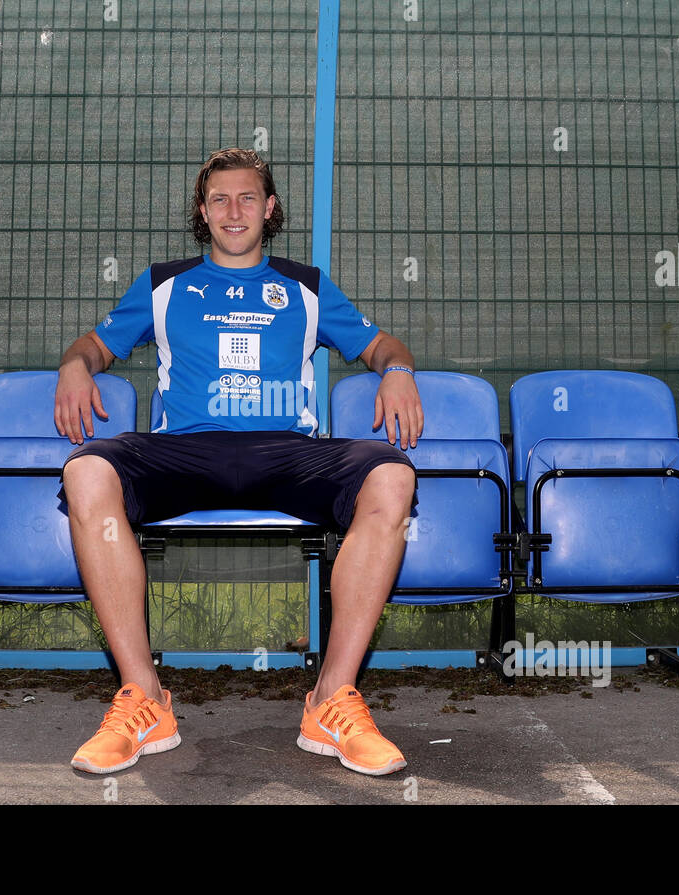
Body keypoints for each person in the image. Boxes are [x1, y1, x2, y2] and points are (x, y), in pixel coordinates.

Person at [53, 148, 423, 776]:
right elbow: (94, 344)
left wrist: (399, 370)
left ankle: (331, 701)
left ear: (270, 208)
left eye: (248, 197)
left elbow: (382, 342)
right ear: (202, 210)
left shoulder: (304, 287)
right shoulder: (164, 284)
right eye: (219, 198)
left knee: (392, 475)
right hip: (186, 449)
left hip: (287, 450)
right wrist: (72, 366)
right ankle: (145, 701)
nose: (233, 210)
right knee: (86, 470)